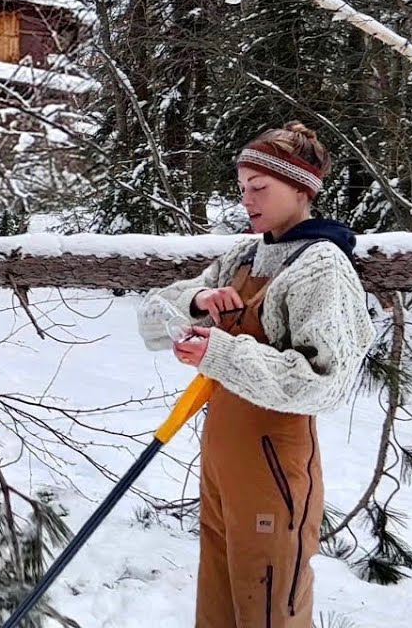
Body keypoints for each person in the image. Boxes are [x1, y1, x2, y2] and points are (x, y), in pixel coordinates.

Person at [137, 122, 375, 627]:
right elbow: (151, 321)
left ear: (301, 189)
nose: (247, 200)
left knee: (269, 609)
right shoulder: (242, 255)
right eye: (243, 187)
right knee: (218, 610)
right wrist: (197, 302)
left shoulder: (321, 265)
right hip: (221, 462)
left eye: (259, 188)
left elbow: (324, 382)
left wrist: (221, 352)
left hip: (273, 466)